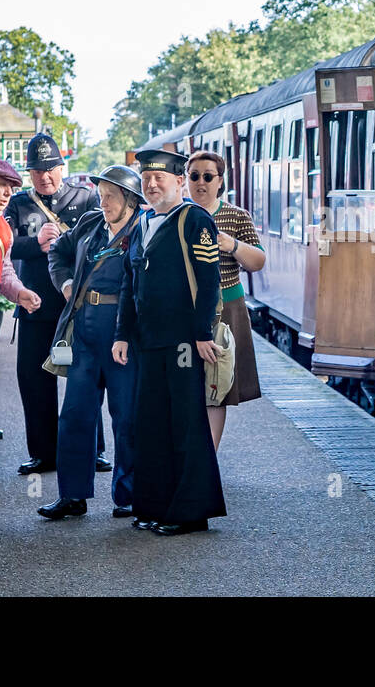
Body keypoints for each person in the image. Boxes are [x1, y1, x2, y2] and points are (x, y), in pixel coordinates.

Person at [115, 149, 227, 536]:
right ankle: (155, 505)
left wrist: (200, 334)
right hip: (148, 341)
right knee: (150, 425)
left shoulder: (194, 219)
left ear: (180, 182)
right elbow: (130, 283)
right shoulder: (142, 221)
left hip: (182, 341)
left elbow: (209, 280)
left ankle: (191, 512)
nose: (151, 184)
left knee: (185, 424)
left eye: (160, 178)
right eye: (146, 178)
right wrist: (122, 334)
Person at [37, 165, 144, 520]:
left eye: (111, 196)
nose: (104, 201)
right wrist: (66, 285)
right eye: (101, 195)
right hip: (83, 330)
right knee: (75, 416)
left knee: (126, 417)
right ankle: (73, 495)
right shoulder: (90, 224)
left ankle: (127, 495)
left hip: (122, 335)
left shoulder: (143, 230)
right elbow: (58, 254)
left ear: (130, 198)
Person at [4, 133, 99, 475]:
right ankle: (44, 453)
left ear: (62, 166)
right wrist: (36, 244)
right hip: (35, 307)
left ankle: (92, 449)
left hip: (75, 308)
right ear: (29, 173)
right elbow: (7, 246)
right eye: (37, 170)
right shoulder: (18, 203)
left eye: (51, 169)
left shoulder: (86, 198)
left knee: (83, 378)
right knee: (35, 381)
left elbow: (101, 242)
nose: (45, 176)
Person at [186, 150, 265, 449]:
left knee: (215, 387)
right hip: (184, 310)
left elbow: (258, 261)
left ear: (220, 181)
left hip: (226, 312)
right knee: (185, 386)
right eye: (194, 176)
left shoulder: (236, 215)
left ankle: (209, 458)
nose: (201, 183)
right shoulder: (176, 215)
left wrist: (232, 244)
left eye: (208, 176)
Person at [0, 158, 41, 336]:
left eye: (12, 188)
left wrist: (19, 292)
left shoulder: (3, 226)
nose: (8, 193)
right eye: (2, 184)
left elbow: (3, 269)